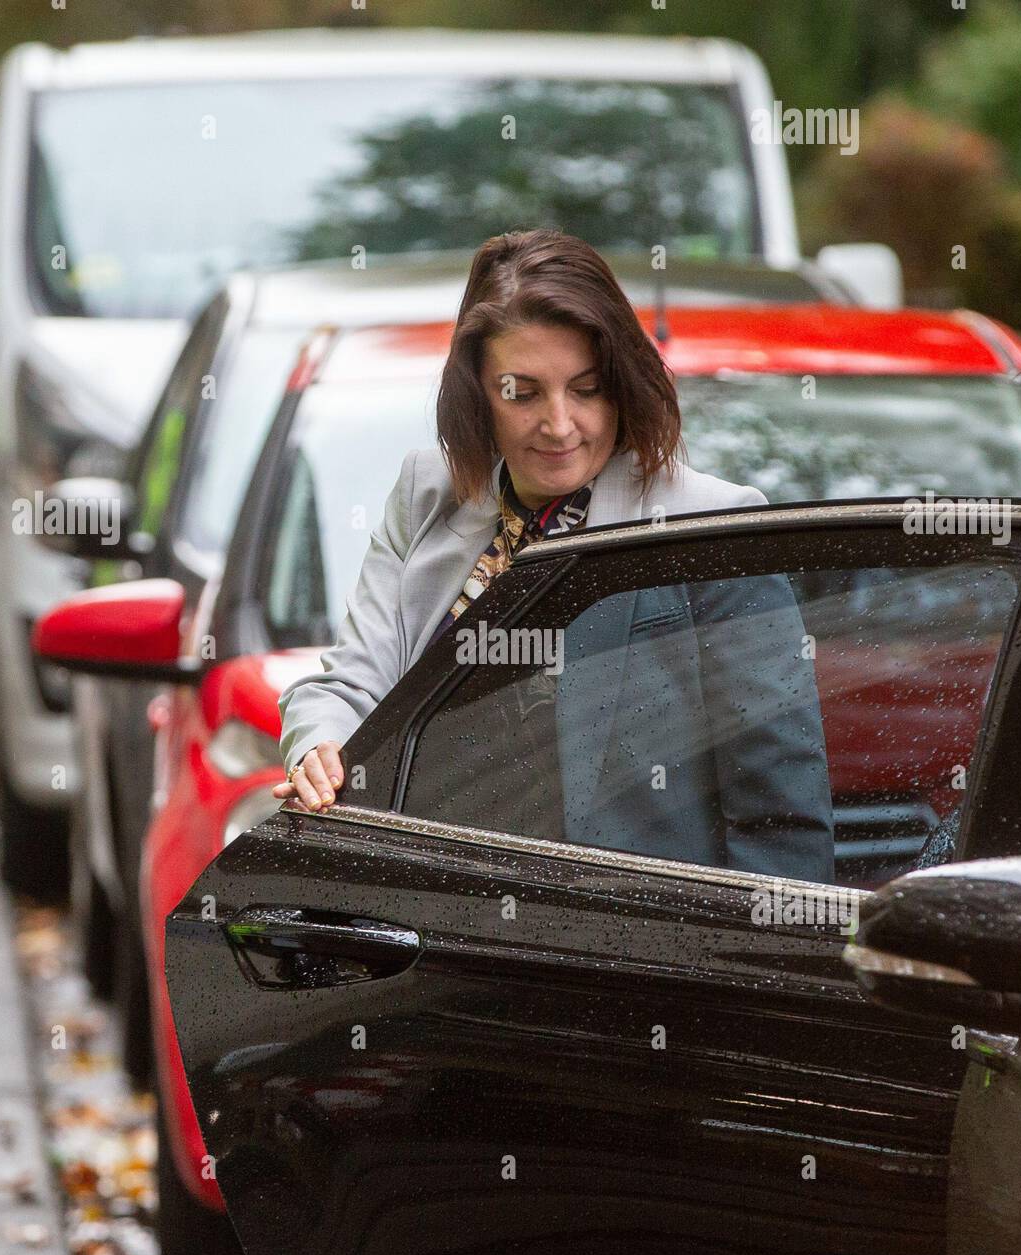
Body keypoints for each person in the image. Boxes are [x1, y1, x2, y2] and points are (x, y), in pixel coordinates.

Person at [273, 227, 835, 882]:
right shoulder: (428, 492)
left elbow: (778, 801)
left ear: (621, 384)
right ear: (476, 392)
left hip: (619, 947)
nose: (560, 424)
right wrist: (318, 747)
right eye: (523, 392)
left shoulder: (711, 523)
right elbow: (348, 682)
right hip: (437, 922)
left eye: (586, 389)